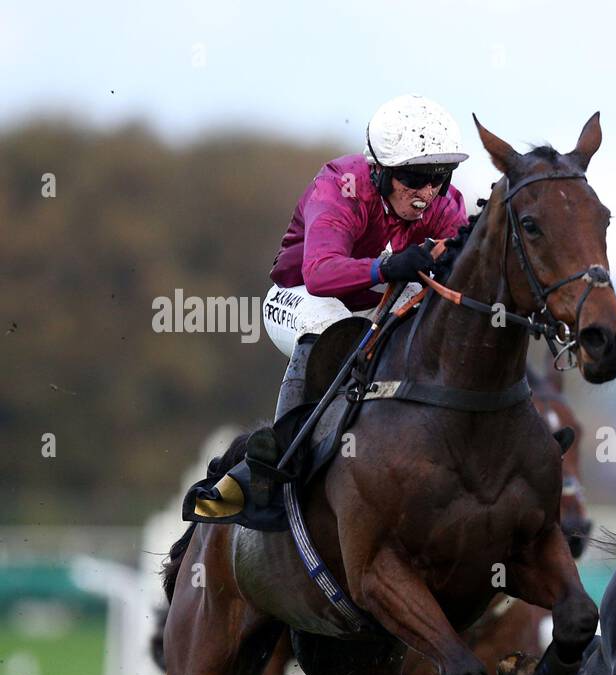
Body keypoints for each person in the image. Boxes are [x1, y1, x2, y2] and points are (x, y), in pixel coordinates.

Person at [192, 95, 469, 519]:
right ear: (380, 172)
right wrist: (392, 264)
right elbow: (320, 273)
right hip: (302, 296)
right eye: (415, 178)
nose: (428, 193)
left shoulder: (445, 205)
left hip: (372, 305)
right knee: (337, 332)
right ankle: (276, 463)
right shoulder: (341, 186)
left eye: (440, 177)